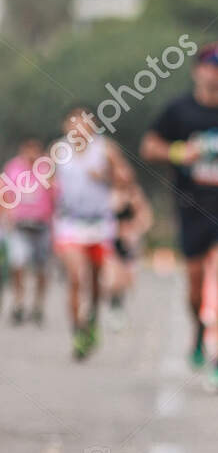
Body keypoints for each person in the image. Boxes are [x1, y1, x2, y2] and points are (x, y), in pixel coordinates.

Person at [140, 41, 218, 392]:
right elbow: (149, 146)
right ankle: (198, 331)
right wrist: (180, 151)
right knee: (195, 288)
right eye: (211, 66)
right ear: (198, 70)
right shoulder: (179, 110)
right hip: (191, 208)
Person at [52, 109, 133, 360]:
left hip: (99, 224)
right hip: (70, 223)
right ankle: (78, 332)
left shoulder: (105, 149)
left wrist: (106, 176)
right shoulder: (58, 151)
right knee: (77, 277)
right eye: (73, 121)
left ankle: (94, 319)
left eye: (84, 121)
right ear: (65, 125)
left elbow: (125, 179)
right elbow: (44, 180)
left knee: (96, 282)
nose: (78, 126)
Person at [3, 138, 54, 326]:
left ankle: (38, 305)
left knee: (42, 269)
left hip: (42, 226)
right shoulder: (13, 168)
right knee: (18, 264)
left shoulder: (46, 168)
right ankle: (19, 302)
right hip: (20, 226)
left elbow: (55, 193)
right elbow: (4, 191)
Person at [104, 177, 153, 332]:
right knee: (112, 280)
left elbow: (145, 218)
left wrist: (133, 229)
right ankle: (113, 306)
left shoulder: (134, 194)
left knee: (126, 280)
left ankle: (119, 307)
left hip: (128, 243)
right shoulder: (106, 192)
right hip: (110, 240)